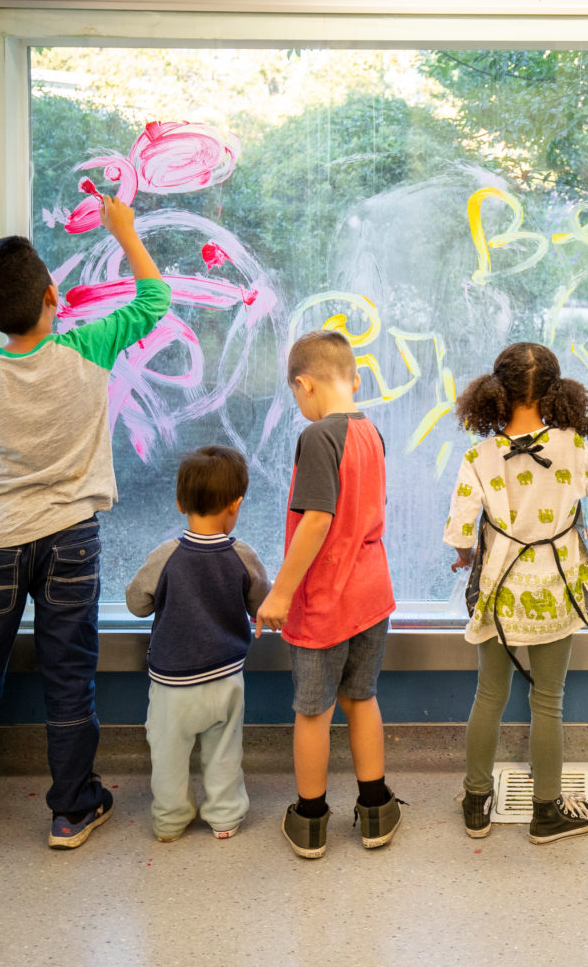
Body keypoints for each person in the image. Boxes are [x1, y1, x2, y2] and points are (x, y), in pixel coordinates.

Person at [0, 194, 168, 848]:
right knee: (68, 673)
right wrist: (125, 231)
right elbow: (154, 301)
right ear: (53, 296)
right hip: (71, 538)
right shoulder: (89, 348)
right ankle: (72, 808)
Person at [443, 342, 588, 845]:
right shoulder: (571, 448)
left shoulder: (479, 456)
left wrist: (466, 553)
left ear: (494, 392)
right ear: (559, 393)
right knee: (548, 700)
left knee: (489, 695)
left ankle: (476, 803)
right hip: (555, 593)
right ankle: (546, 813)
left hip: (500, 593)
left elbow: (460, 529)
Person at [256, 329, 400, 859]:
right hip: (371, 591)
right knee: (361, 698)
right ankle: (376, 810)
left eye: (296, 394)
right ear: (355, 380)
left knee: (313, 710)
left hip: (326, 598)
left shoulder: (319, 437)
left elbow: (317, 520)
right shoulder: (370, 431)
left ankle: (311, 819)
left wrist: (279, 594)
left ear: (305, 384)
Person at [125, 445, 270, 842]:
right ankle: (225, 817)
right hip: (226, 679)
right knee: (225, 753)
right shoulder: (244, 556)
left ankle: (170, 821)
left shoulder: (165, 556)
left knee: (168, 757)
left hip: (173, 686)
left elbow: (136, 603)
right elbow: (261, 604)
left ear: (179, 503)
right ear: (235, 504)